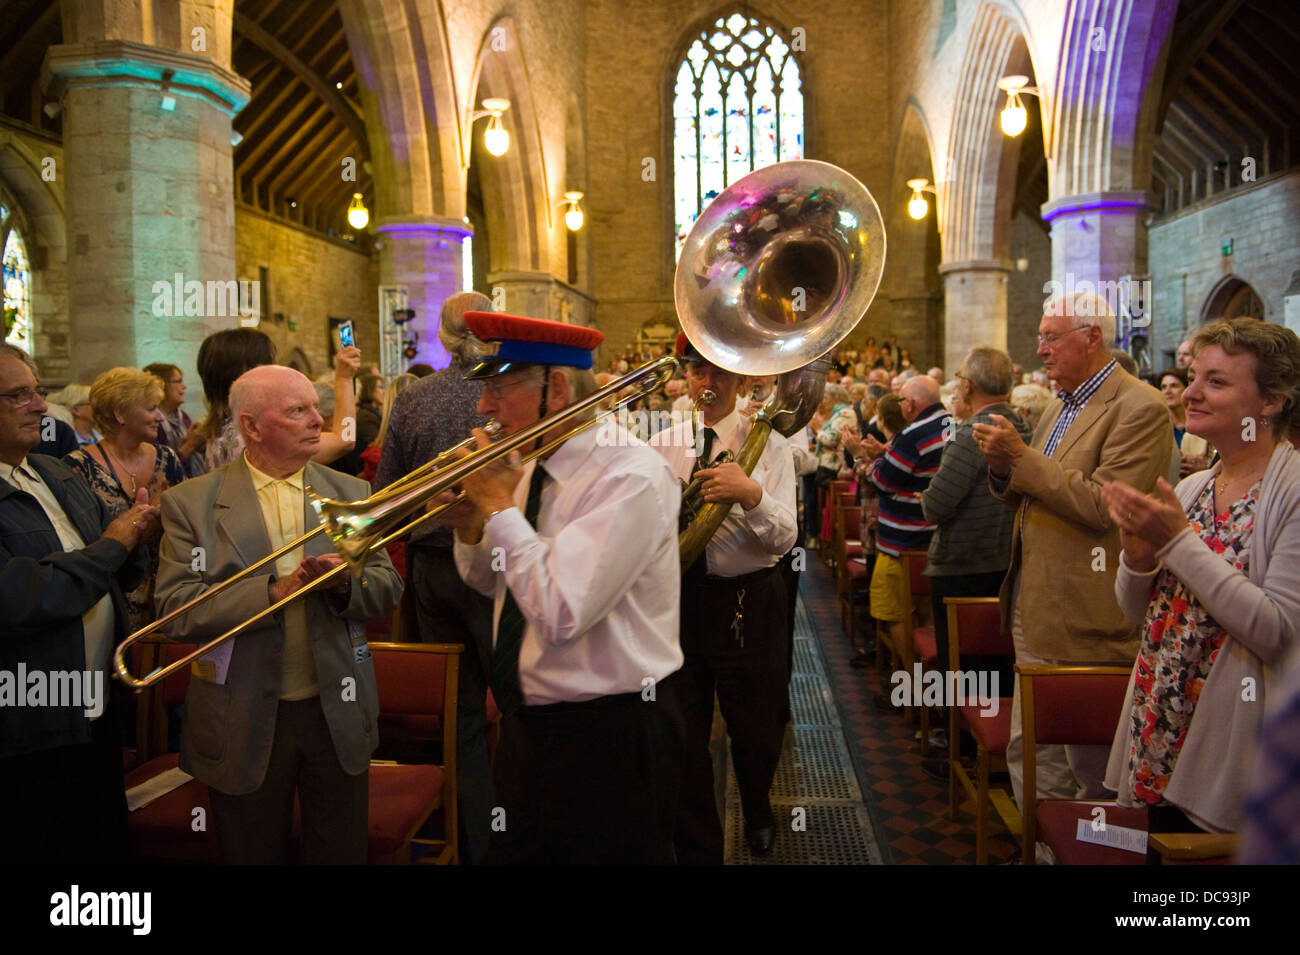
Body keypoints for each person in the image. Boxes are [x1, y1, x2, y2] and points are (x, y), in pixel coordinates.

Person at [440, 311, 684, 864]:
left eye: (498, 389)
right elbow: (489, 582)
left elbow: (561, 611)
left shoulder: (630, 475)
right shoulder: (531, 465)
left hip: (611, 734)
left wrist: (499, 507)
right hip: (533, 726)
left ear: (554, 388)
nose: (483, 408)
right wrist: (473, 525)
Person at [153, 365, 403, 864]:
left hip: (336, 709)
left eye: (316, 405)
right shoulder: (191, 503)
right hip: (239, 712)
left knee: (340, 850)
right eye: (299, 411)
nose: (319, 419)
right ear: (252, 427)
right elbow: (174, 608)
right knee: (250, 849)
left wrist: (345, 584)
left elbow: (388, 590)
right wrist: (272, 592)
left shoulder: (350, 492)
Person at [974, 290, 1172, 812]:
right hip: (1034, 601)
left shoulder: (1139, 407)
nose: (1040, 349)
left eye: (1050, 337)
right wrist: (1002, 468)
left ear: (1092, 338)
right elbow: (1033, 487)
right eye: (1039, 336)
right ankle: (1042, 851)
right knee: (1032, 753)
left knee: (1091, 768)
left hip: (1086, 612)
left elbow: (1107, 505)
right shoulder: (1061, 406)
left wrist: (1020, 458)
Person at [1101, 318, 1300, 836]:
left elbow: (1277, 632)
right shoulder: (1193, 490)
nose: (1190, 393)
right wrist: (1138, 560)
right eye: (1193, 377)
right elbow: (1142, 616)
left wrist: (1176, 544)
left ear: (1271, 401)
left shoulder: (1292, 490)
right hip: (1161, 716)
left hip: (1229, 730)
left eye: (1216, 381)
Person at [0, 343, 159, 863]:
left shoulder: (51, 473)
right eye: (18, 395)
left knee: (101, 846)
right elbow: (23, 596)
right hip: (29, 720)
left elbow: (107, 574)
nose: (40, 407)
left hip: (96, 706)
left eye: (38, 391)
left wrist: (139, 537)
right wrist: (115, 542)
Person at [651, 332, 796, 860]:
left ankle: (757, 805)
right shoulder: (663, 441)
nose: (707, 383)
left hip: (749, 603)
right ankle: (698, 839)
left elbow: (786, 539)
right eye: (697, 372)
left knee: (757, 726)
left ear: (739, 380)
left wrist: (751, 496)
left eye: (718, 374)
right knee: (684, 732)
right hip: (682, 601)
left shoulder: (769, 445)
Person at [376, 291, 498, 864]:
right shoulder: (509, 393)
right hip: (503, 562)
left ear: (445, 340)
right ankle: (515, 830)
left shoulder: (414, 399)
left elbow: (388, 497)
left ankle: (472, 839)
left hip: (432, 571)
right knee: (524, 700)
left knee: (459, 710)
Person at [918, 348, 1030, 773]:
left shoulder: (971, 433)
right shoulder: (1023, 425)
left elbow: (937, 504)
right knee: (997, 662)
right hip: (1007, 562)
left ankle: (959, 750)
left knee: (959, 663)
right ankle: (995, 750)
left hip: (964, 565)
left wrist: (927, 496)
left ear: (966, 386)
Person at [65, 367, 185, 633]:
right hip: (109, 600)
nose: (158, 417)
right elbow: (78, 542)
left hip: (164, 595)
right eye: (151, 408)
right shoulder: (77, 467)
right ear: (120, 414)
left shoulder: (168, 459)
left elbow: (190, 528)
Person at [856, 375, 951, 699]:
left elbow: (883, 482)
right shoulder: (951, 424)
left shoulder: (912, 435)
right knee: (926, 616)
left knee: (894, 613)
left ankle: (916, 689)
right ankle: (930, 690)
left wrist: (868, 460)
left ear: (910, 405)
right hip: (934, 540)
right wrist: (886, 451)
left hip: (902, 542)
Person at [194, 328, 360, 472]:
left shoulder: (219, 429)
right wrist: (344, 378)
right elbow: (344, 440)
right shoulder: (259, 433)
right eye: (271, 364)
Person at [144, 362, 206, 474]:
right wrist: (190, 445)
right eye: (178, 381)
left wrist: (201, 442)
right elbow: (161, 469)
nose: (184, 386)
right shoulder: (152, 422)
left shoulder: (182, 416)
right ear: (162, 385)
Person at [1158, 367, 1211, 477]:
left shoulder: (1202, 428)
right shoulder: (1160, 428)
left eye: (1174, 386)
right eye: (1163, 387)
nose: (1167, 391)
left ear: (1186, 389)